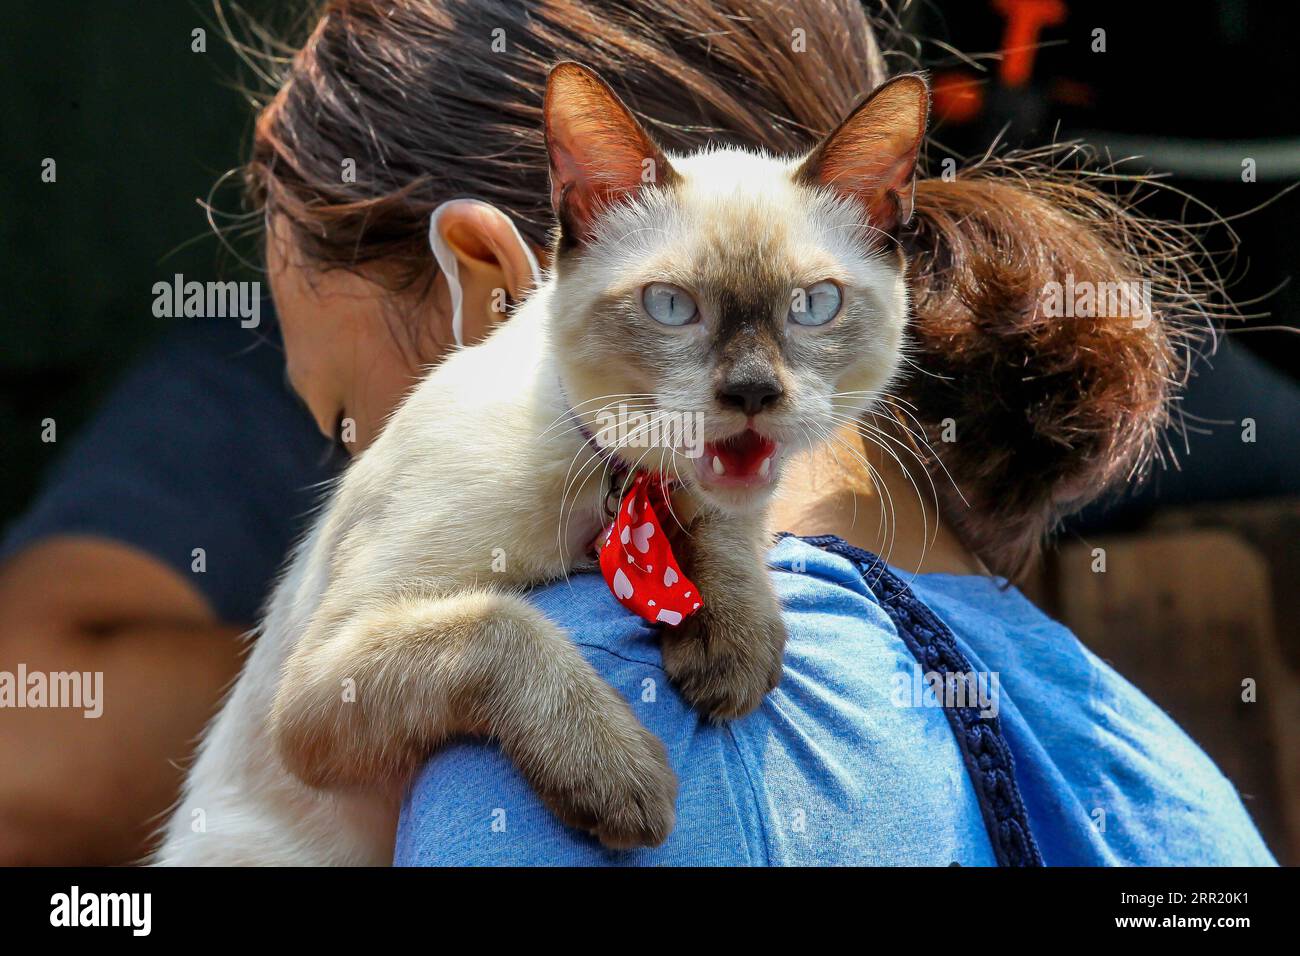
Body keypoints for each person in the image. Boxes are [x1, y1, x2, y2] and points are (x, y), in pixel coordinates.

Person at [0, 0, 1278, 865]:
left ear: (492, 290)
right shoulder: (1158, 778)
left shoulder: (606, 745)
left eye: (348, 423)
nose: (361, 475)